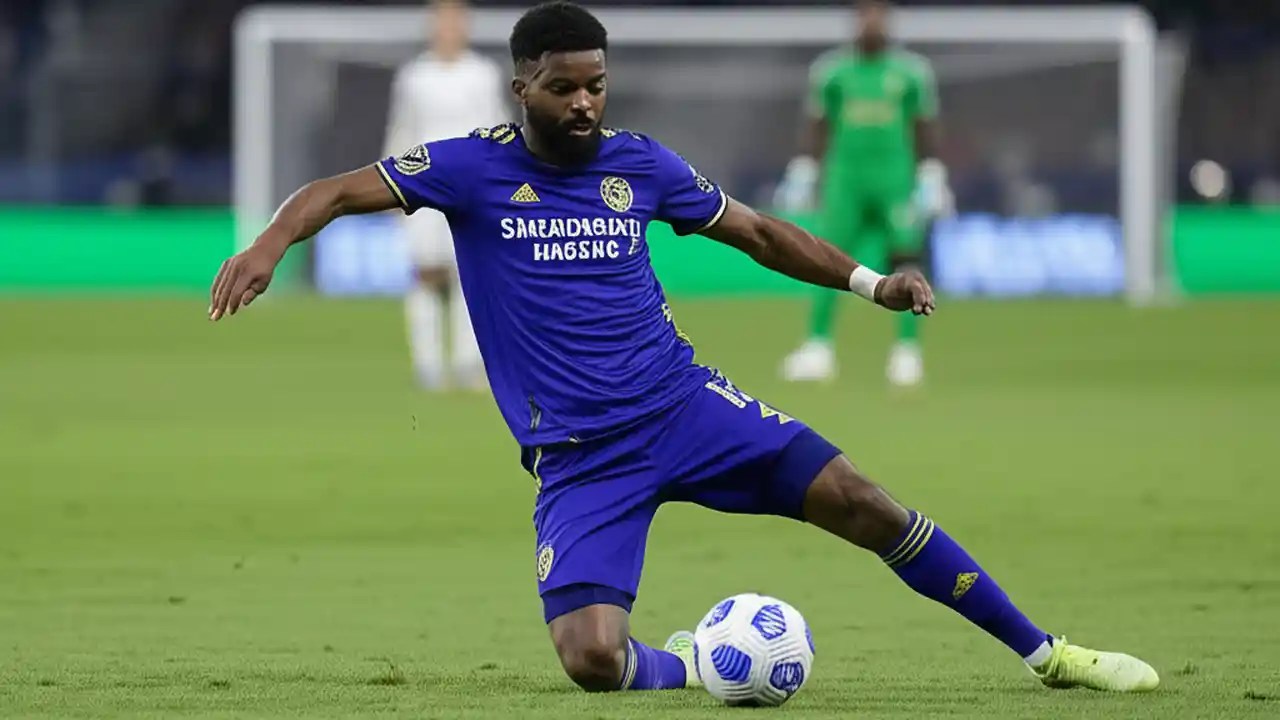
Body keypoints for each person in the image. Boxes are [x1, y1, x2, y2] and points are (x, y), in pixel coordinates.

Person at [209, 0, 1157, 696]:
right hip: (580, 459)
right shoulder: (467, 167)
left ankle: (1047, 653)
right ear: (522, 87)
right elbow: (331, 191)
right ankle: (701, 664)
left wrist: (871, 284)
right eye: (564, 87)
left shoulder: (643, 165)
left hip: (684, 408)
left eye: (597, 85)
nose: (585, 103)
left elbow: (757, 233)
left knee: (866, 502)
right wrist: (266, 246)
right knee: (591, 661)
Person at [776, 0, 953, 387]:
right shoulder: (832, 71)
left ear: (888, 20)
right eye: (865, 13)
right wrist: (805, 167)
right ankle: (817, 349)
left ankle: (907, 353)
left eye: (879, 13)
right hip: (845, 181)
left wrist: (932, 170)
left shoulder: (911, 72)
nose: (872, 20)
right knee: (824, 260)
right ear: (856, 20)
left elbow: (924, 124)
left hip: (896, 180)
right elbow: (818, 123)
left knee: (906, 260)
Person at [384, 0, 507, 389]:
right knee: (425, 274)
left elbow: (498, 128)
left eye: (457, 22)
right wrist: (390, 186)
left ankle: (469, 362)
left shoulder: (483, 74)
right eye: (443, 22)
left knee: (472, 273)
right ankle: (429, 363)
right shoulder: (414, 76)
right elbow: (402, 129)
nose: (450, 29)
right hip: (422, 183)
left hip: (474, 186)